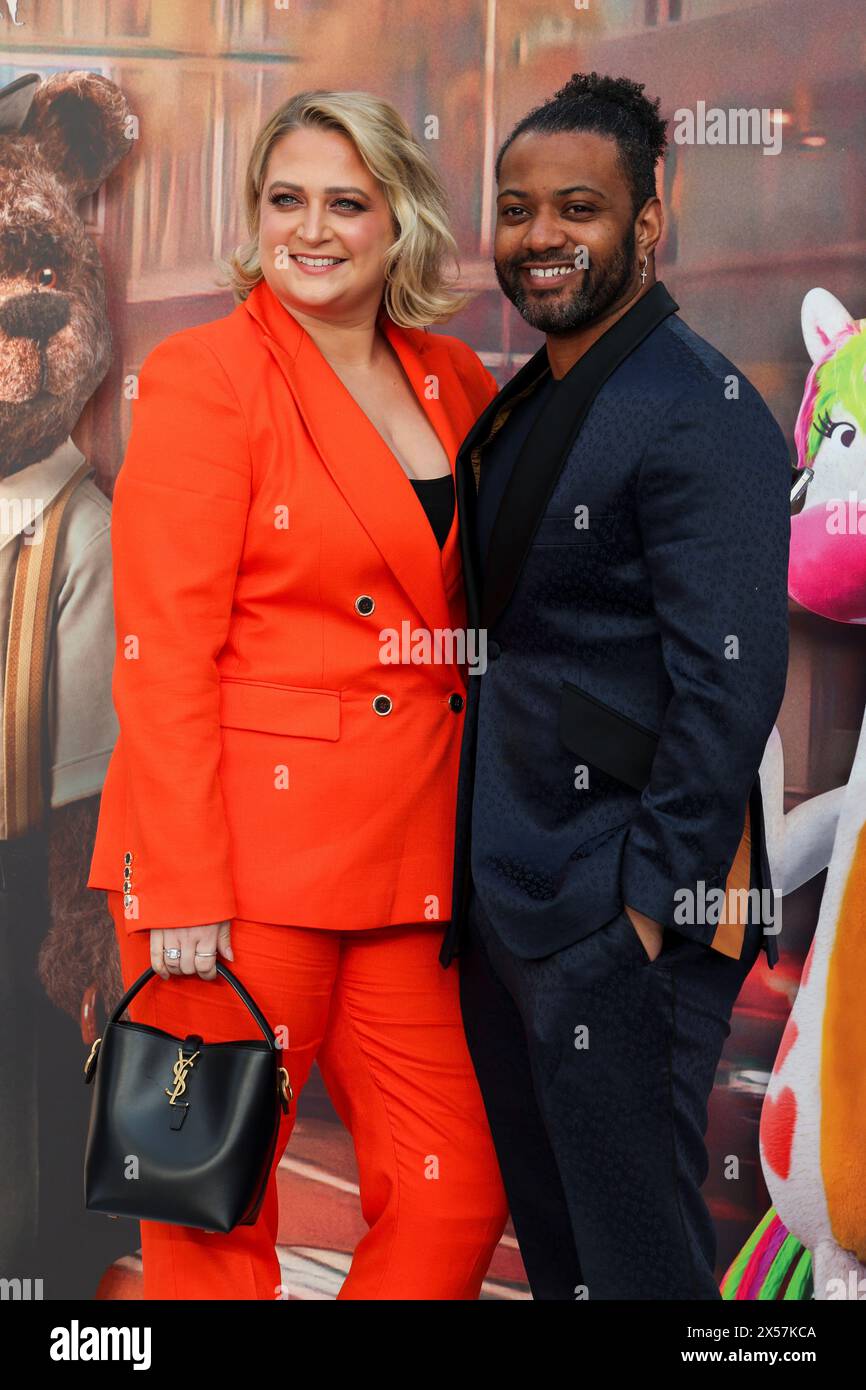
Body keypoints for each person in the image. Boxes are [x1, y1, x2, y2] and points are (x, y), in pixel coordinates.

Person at [86, 88, 508, 1300]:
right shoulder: (204, 374)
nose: (309, 230)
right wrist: (180, 884)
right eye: (285, 200)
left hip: (410, 860)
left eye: (344, 203)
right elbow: (160, 649)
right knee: (211, 1211)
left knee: (453, 1193)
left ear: (399, 223)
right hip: (236, 870)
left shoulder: (453, 379)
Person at [440, 72, 791, 1300]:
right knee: (566, 1266)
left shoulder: (701, 411)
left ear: (647, 217)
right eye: (517, 208)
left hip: (616, 922)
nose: (540, 237)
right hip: (516, 902)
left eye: (576, 207)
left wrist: (643, 915)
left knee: (638, 1272)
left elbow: (727, 690)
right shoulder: (534, 396)